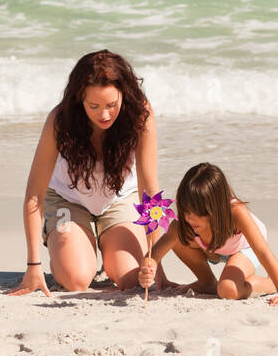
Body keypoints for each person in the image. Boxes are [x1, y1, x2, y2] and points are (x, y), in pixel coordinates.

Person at [10, 50, 167, 296]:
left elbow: (149, 188)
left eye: (112, 105)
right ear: (79, 99)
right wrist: (33, 266)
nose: (104, 115)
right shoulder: (60, 120)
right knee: (76, 279)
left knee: (132, 279)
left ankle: (106, 246)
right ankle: (70, 248)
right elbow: (34, 194)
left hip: (119, 200)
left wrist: (156, 263)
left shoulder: (140, 115)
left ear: (124, 96)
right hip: (67, 200)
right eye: (93, 106)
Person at [138, 162, 278, 305]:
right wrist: (148, 268)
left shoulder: (236, 213)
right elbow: (154, 255)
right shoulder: (183, 223)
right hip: (214, 249)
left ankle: (271, 284)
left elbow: (263, 252)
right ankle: (207, 282)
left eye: (197, 212)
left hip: (244, 248)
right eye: (186, 210)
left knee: (228, 289)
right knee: (178, 237)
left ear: (216, 208)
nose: (189, 217)